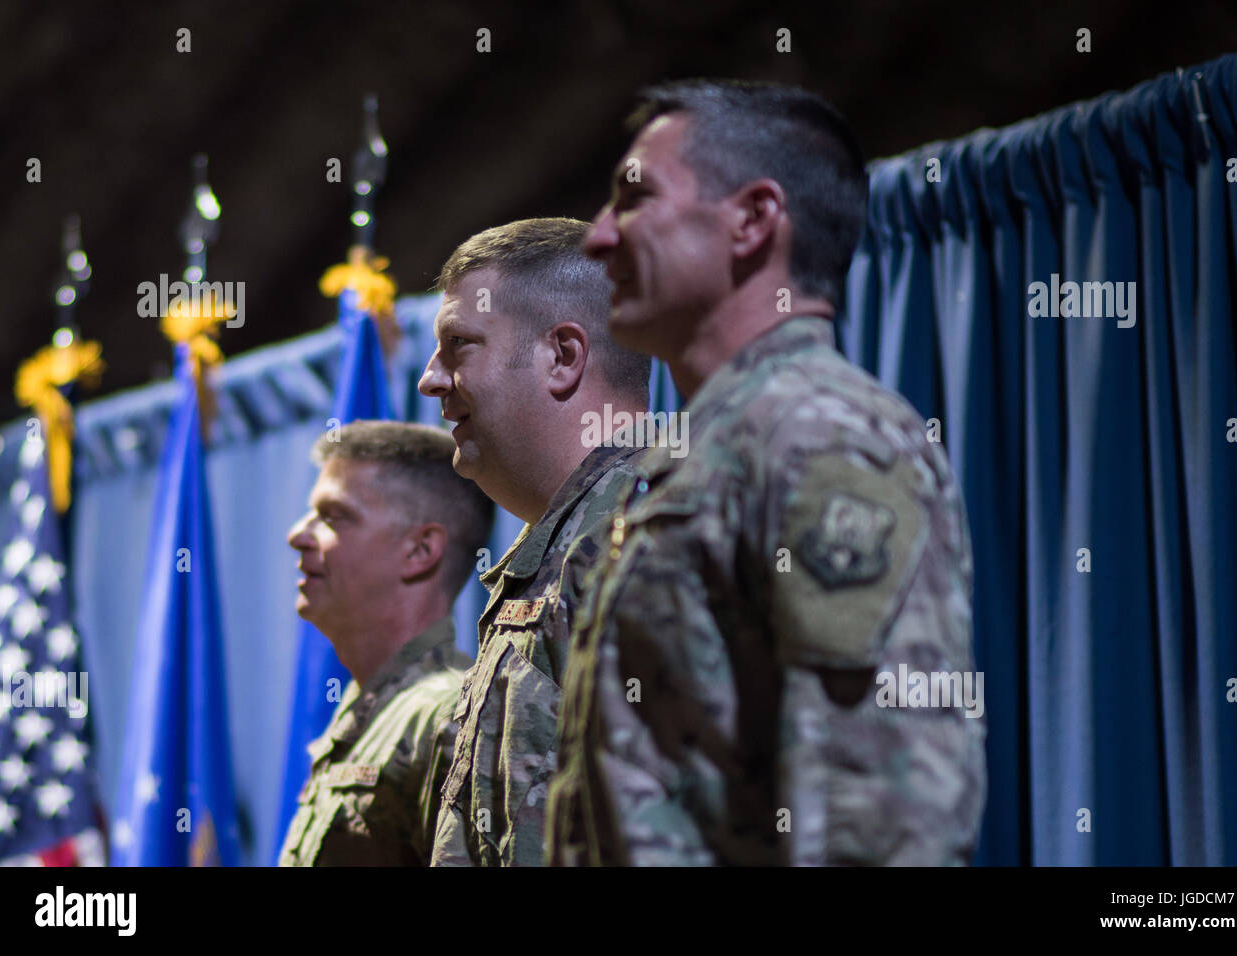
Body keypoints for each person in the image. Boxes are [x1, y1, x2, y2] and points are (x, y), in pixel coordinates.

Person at [546, 80, 987, 865]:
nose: (599, 237)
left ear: (751, 220)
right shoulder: (715, 446)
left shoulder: (824, 435)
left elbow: (878, 812)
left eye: (636, 199)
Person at [418, 217, 652, 866]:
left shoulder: (648, 531)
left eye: (459, 345)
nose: (430, 379)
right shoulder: (563, 543)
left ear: (563, 356)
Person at [278, 421, 494, 866]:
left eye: (333, 516)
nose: (298, 535)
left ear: (420, 550)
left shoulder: (447, 718)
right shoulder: (370, 707)